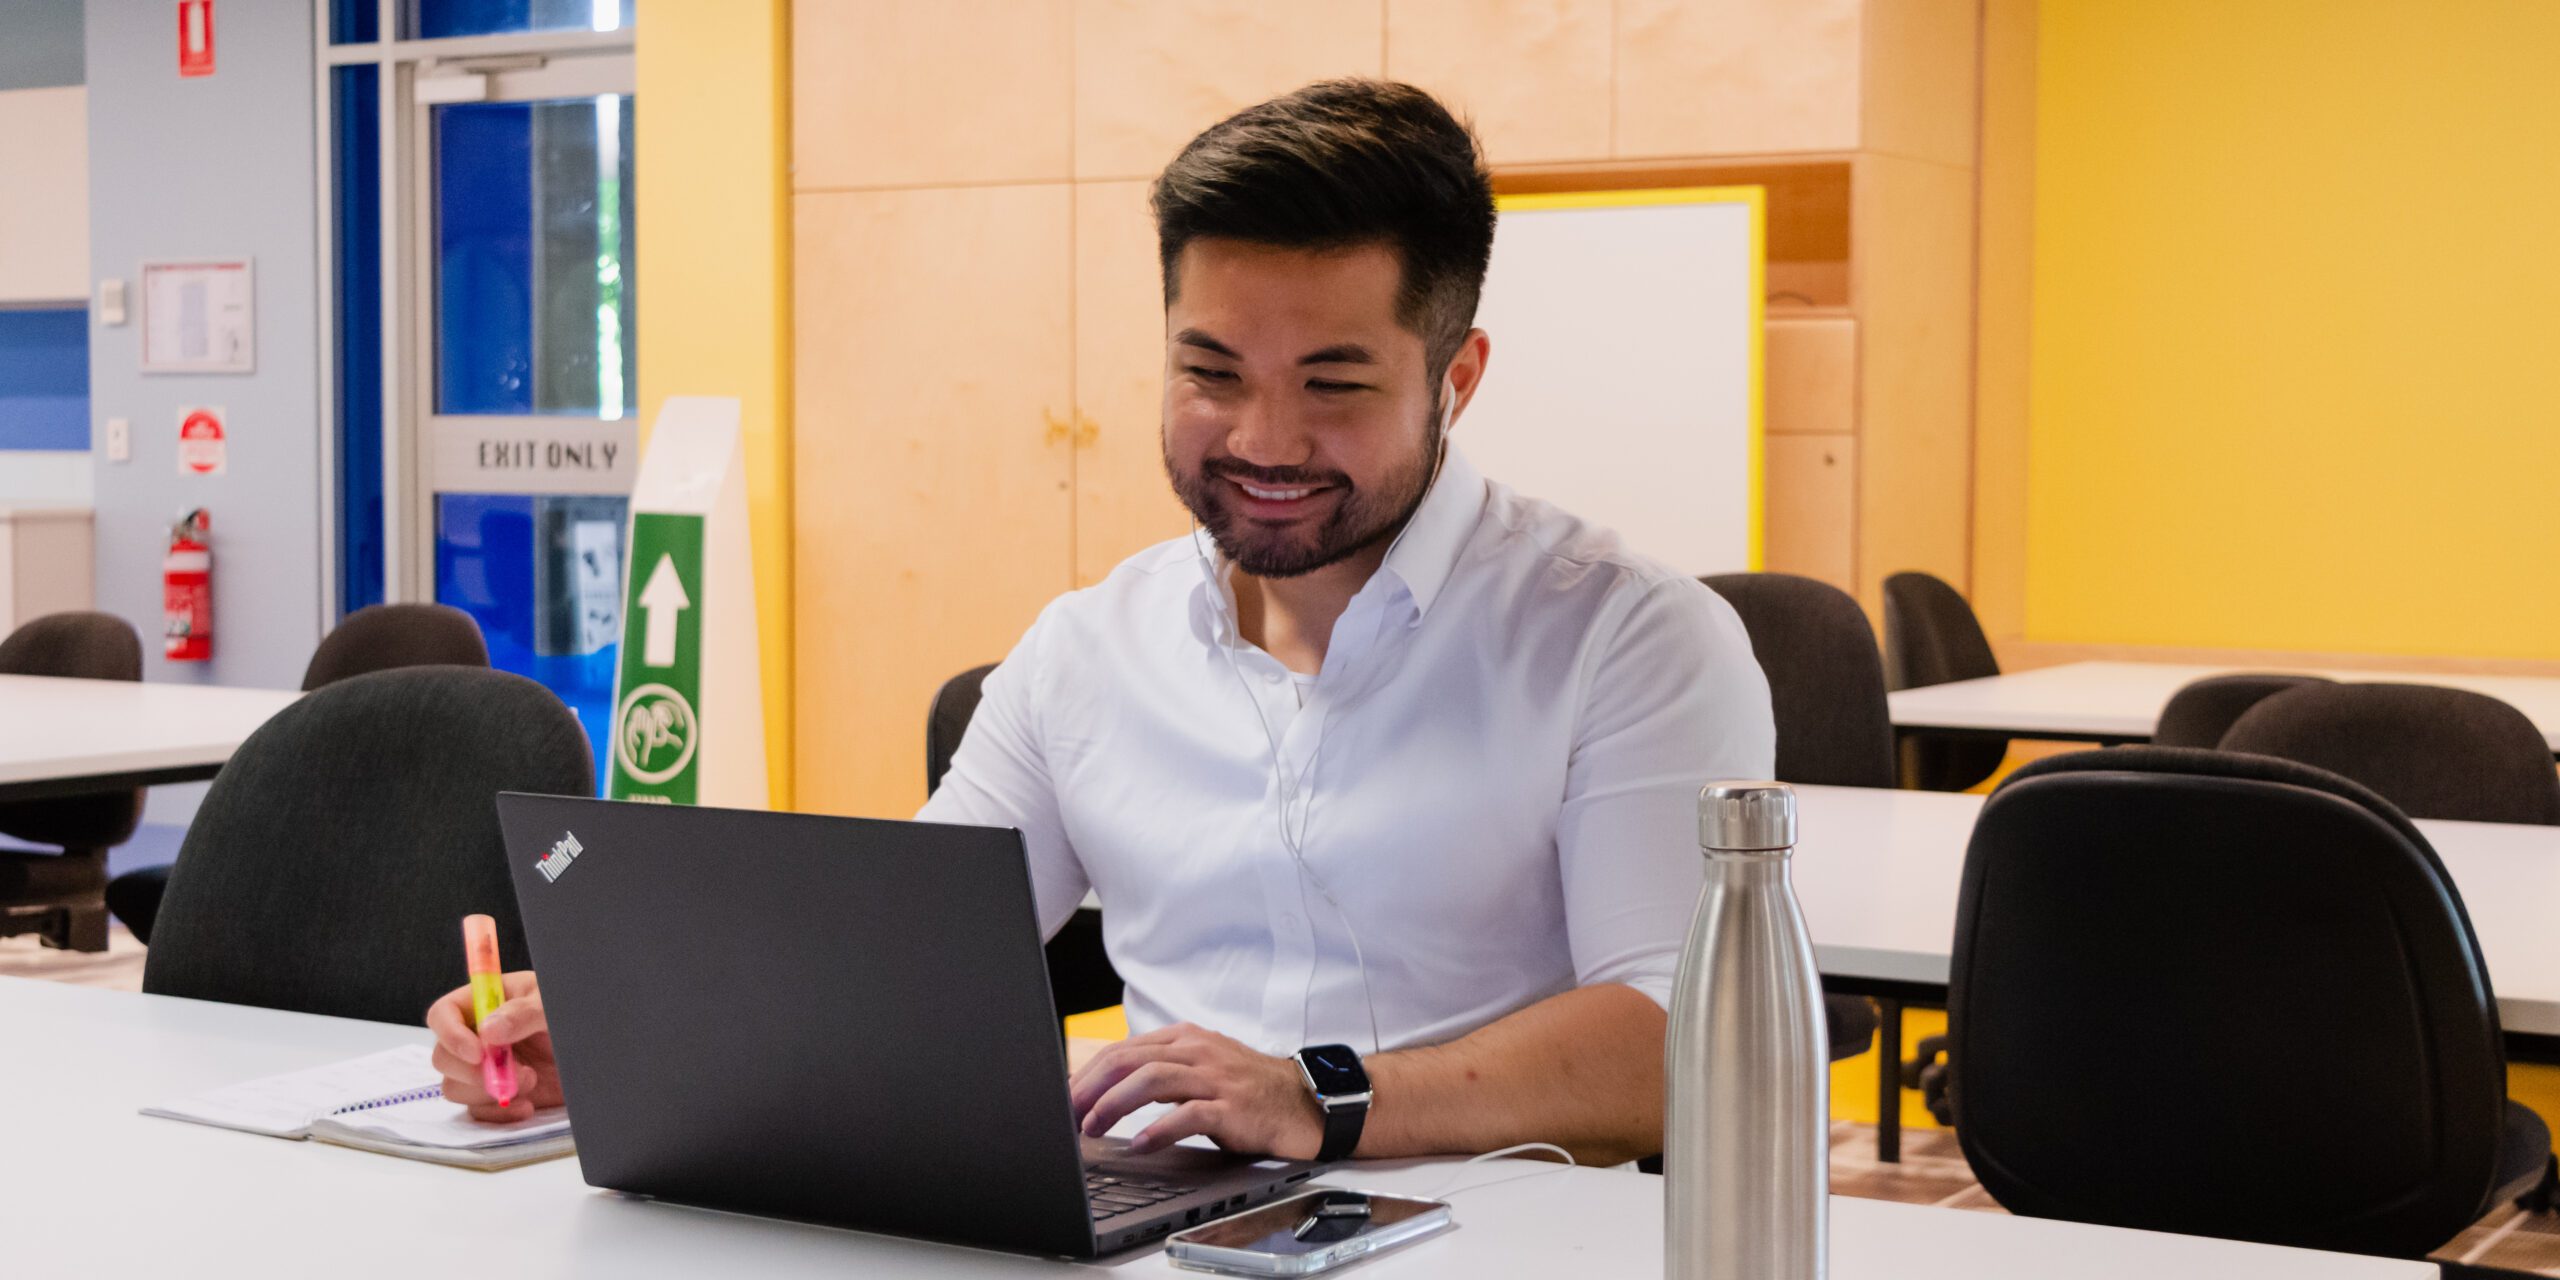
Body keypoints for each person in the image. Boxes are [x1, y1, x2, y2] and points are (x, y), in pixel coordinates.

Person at [428, 78, 1773, 1169]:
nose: (1264, 438)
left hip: (1501, 1240)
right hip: (1169, 1233)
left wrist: (1324, 1098)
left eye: (1334, 382)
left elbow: (1685, 1042)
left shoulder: (1628, 639)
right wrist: (625, 1032)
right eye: (1211, 370)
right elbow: (892, 948)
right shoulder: (1089, 649)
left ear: (1457, 376)